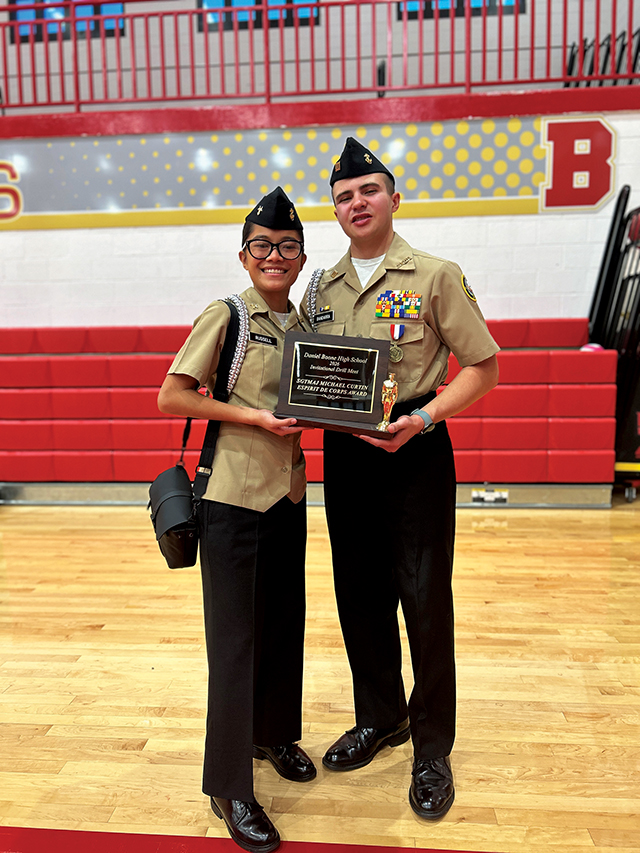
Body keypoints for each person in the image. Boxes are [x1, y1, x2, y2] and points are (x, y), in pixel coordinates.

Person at [301, 137, 500, 821]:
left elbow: (482, 366)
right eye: (343, 197)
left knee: (423, 599)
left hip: (415, 447)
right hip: (346, 454)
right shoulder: (320, 287)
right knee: (359, 595)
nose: (356, 204)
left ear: (392, 197)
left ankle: (432, 747)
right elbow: (306, 370)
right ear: (336, 210)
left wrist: (429, 416)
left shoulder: (436, 275)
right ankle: (381, 717)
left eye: (368, 191)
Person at [158, 187, 315, 853]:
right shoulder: (227, 316)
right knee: (235, 645)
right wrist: (253, 416)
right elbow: (172, 396)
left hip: (289, 496)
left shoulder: (305, 322)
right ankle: (228, 785)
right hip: (230, 500)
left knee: (282, 628)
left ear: (301, 257)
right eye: (262, 246)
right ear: (245, 256)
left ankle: (273, 732)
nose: (274, 256)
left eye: (286, 246)